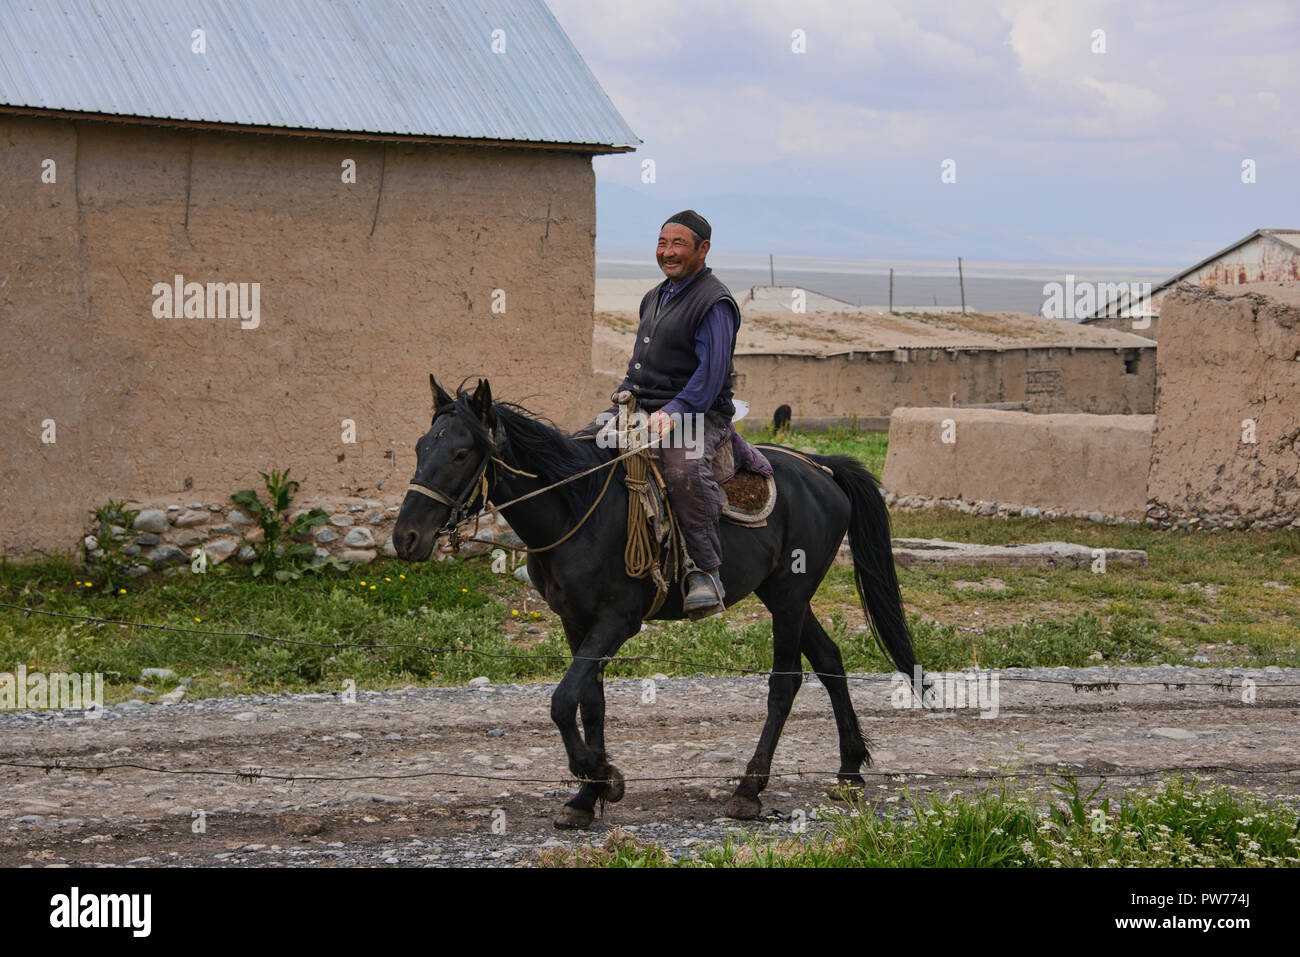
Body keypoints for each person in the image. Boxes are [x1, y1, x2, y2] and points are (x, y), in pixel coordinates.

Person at [578, 210, 771, 617]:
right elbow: (640, 364)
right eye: (663, 244)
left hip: (701, 415)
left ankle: (705, 571)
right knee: (580, 447)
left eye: (678, 244)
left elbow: (711, 372)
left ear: (702, 249)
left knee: (683, 469)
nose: (668, 252)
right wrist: (626, 395)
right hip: (643, 409)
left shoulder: (715, 303)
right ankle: (572, 552)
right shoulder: (656, 296)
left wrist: (677, 409)